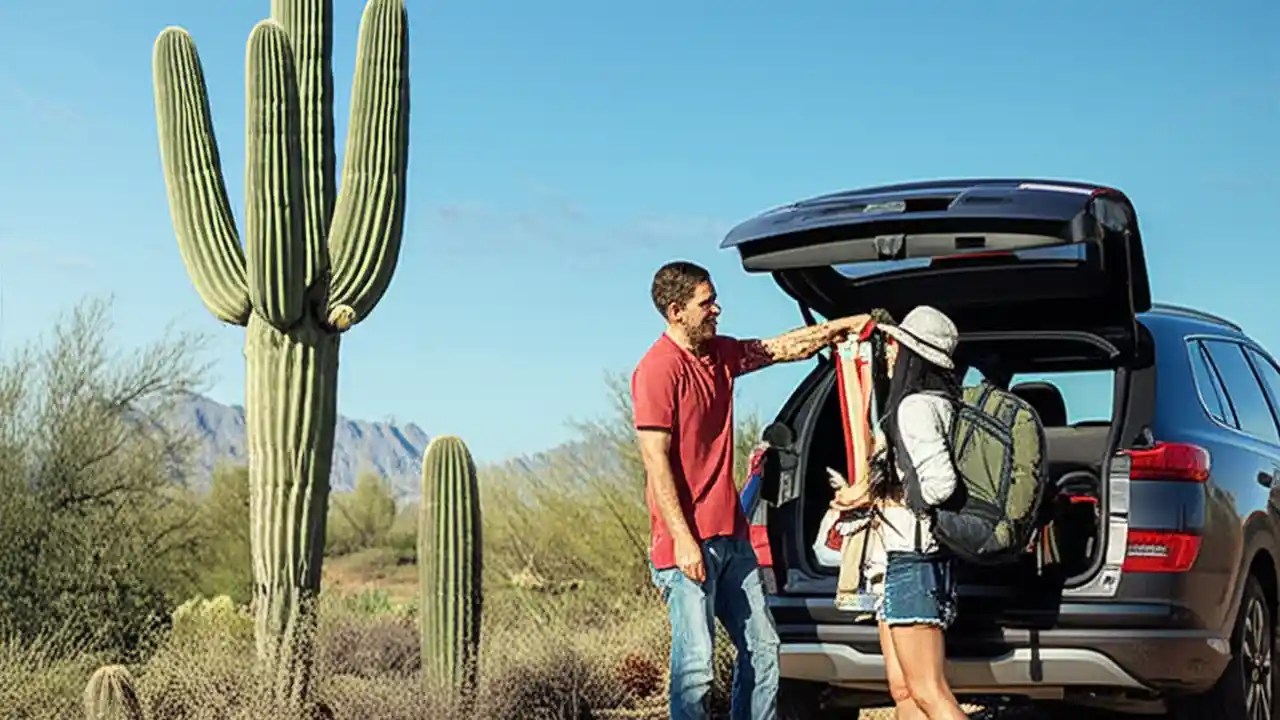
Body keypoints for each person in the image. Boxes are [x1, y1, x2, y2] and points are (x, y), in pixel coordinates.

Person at [631, 260, 869, 720]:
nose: (717, 309)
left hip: (732, 538)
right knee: (696, 669)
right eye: (707, 302)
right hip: (686, 546)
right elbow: (655, 461)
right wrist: (683, 539)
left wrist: (841, 328)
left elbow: (778, 349)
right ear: (676, 311)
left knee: (763, 649)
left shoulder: (719, 354)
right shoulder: (657, 370)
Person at [839, 304, 968, 720]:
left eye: (897, 345)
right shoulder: (941, 402)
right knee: (905, 691)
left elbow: (940, 484)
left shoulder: (914, 408)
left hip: (913, 557)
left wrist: (892, 496)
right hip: (912, 557)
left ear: (915, 354)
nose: (890, 352)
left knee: (929, 691)